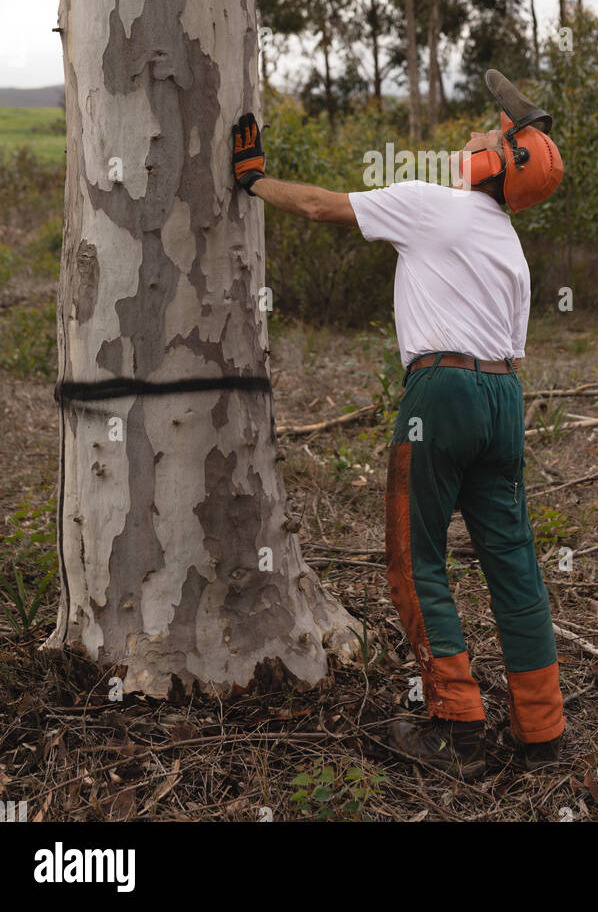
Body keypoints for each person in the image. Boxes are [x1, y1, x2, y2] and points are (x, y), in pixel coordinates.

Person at [231, 71, 565, 781]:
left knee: (416, 562)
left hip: (441, 393)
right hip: (505, 399)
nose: (474, 135)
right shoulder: (511, 248)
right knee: (512, 562)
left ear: (492, 163)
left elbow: (323, 208)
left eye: (487, 134)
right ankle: (543, 727)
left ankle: (456, 720)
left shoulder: (431, 207)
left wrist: (254, 181)